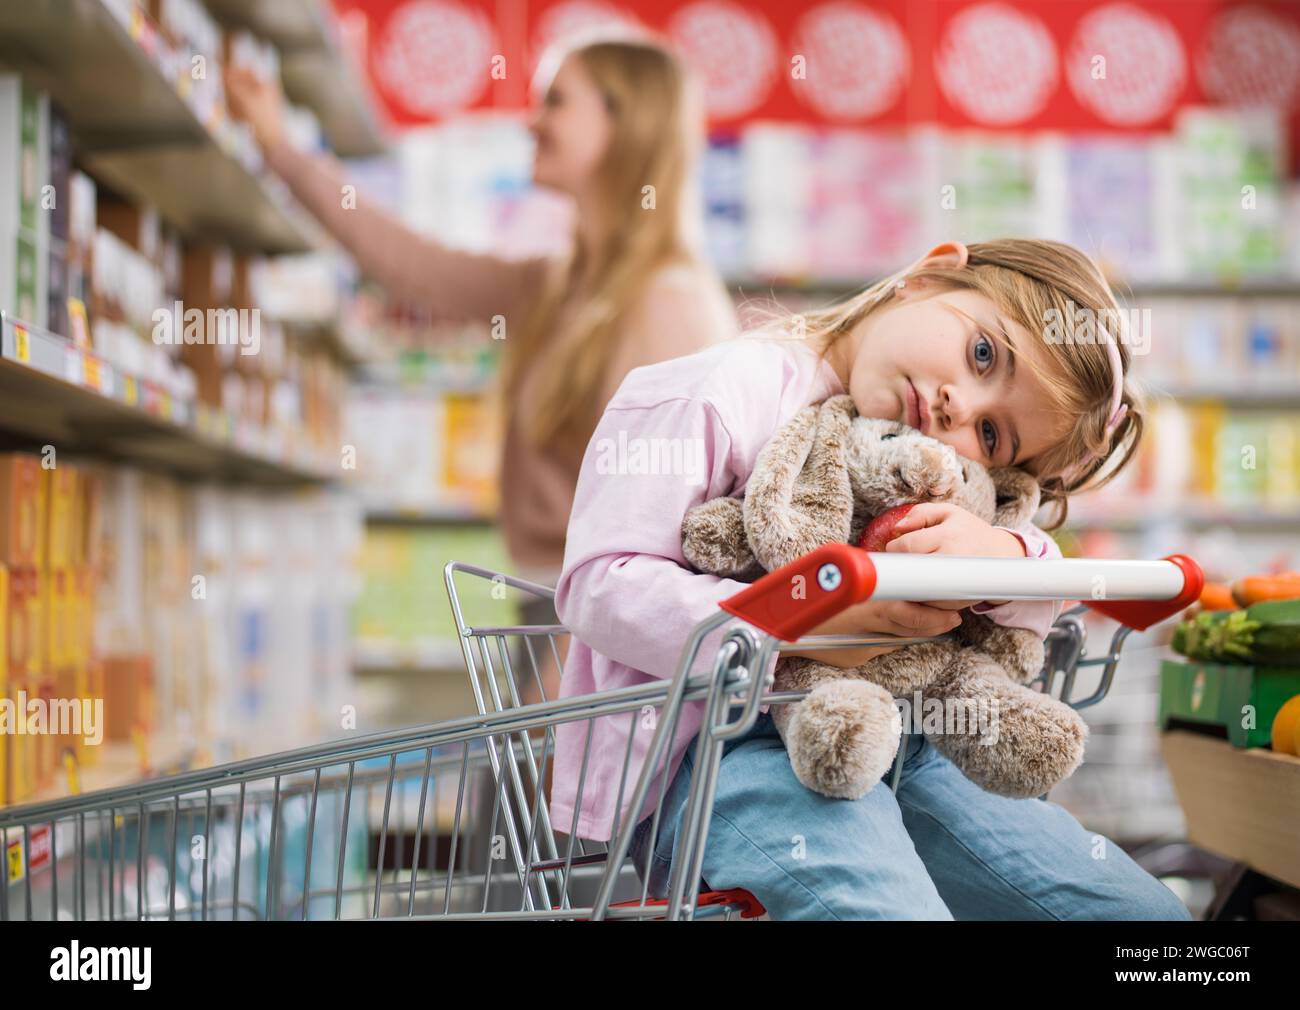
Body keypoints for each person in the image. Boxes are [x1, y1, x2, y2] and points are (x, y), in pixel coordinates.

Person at [551, 237, 1192, 920]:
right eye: (984, 355)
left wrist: (999, 555)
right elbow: (601, 585)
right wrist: (799, 628)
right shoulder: (718, 392)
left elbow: (1019, 589)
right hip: (715, 757)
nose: (957, 407)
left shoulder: (933, 473)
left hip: (914, 742)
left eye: (994, 435)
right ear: (929, 273)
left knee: (1139, 916)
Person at [225, 35, 736, 704]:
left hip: (598, 641)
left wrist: (567, 670)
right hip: (555, 619)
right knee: (513, 806)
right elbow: (414, 267)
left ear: (625, 122)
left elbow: (662, 530)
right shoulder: (561, 284)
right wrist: (280, 147)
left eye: (556, 101)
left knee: (528, 808)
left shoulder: (666, 305)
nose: (532, 121)